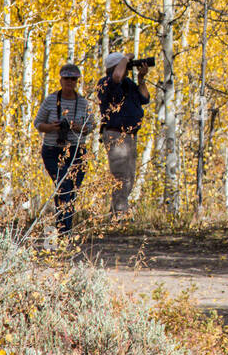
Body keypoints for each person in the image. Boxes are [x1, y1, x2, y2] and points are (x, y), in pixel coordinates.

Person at [34, 64, 95, 238]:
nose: (70, 82)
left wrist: (79, 127)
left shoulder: (83, 103)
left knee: (71, 190)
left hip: (77, 151)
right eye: (66, 78)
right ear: (60, 80)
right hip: (53, 150)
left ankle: (64, 230)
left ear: (77, 81)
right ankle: (63, 231)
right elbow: (38, 123)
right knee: (63, 186)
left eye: (73, 79)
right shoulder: (51, 100)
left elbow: (91, 125)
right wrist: (52, 127)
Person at [97, 50, 152, 216]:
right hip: (115, 134)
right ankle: (119, 214)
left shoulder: (127, 83)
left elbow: (145, 98)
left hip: (130, 136)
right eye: (124, 65)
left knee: (129, 176)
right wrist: (126, 58)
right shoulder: (107, 82)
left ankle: (118, 211)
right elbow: (116, 77)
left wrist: (141, 79)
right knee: (121, 176)